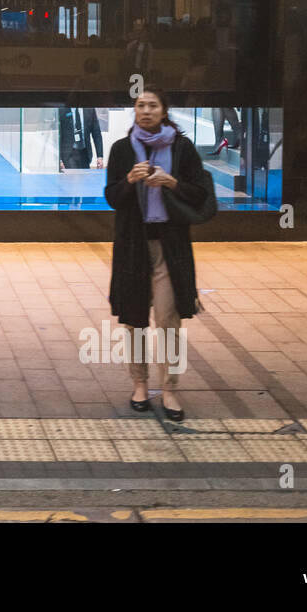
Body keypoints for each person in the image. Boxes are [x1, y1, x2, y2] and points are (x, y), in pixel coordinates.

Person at [104, 85, 212, 422]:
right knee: (134, 317)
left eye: (153, 105)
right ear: (134, 111)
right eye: (140, 105)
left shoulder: (182, 149)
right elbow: (111, 196)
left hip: (170, 245)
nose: (146, 111)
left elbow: (199, 194)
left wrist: (171, 183)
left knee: (168, 318)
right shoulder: (123, 149)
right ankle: (139, 384)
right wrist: (128, 181)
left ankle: (169, 389)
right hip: (134, 245)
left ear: (164, 112)